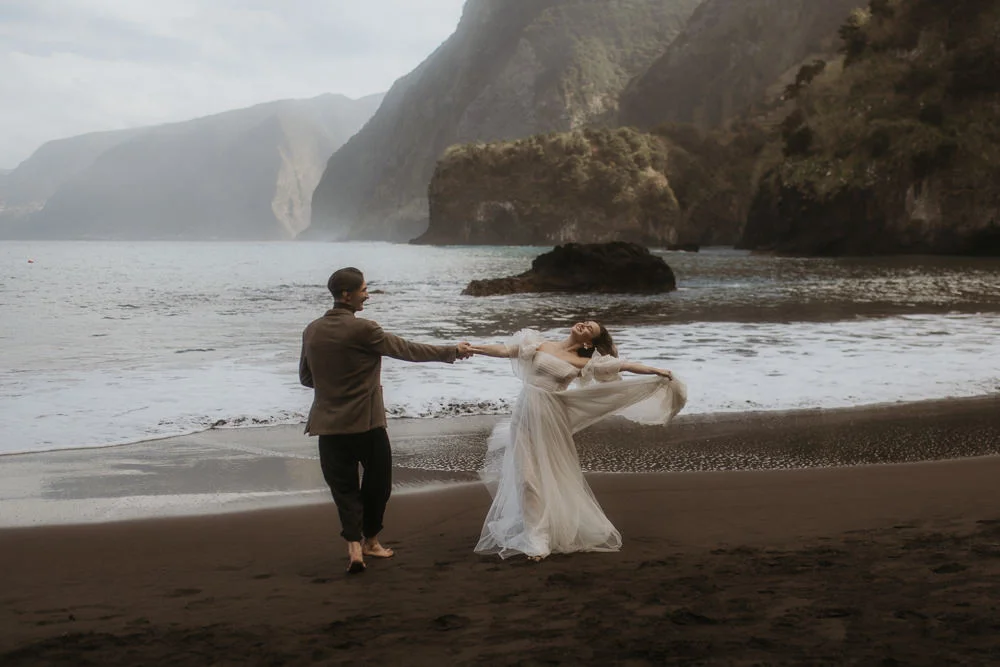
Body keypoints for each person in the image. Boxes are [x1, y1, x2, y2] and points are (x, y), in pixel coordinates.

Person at [300, 267, 473, 574]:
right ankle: (371, 541)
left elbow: (305, 378)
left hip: (328, 425)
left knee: (343, 489)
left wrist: (334, 386)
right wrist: (452, 351)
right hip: (366, 424)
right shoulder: (364, 329)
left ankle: (354, 548)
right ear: (346, 295)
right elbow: (407, 349)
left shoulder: (311, 330)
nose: (367, 295)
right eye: (364, 290)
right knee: (377, 485)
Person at [469, 321, 686, 560]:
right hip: (523, 416)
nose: (583, 325)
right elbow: (504, 350)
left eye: (590, 329)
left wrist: (656, 371)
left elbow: (624, 365)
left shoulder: (583, 363)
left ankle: (542, 537)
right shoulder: (538, 344)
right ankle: (535, 535)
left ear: (589, 343)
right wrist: (473, 348)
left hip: (551, 419)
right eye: (585, 322)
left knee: (547, 474)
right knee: (525, 476)